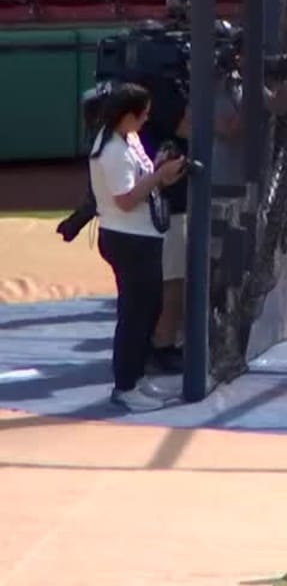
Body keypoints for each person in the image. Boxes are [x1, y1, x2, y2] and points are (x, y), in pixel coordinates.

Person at [88, 82, 189, 412]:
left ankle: (136, 377)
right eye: (142, 115)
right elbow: (127, 199)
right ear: (127, 116)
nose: (147, 120)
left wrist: (162, 170)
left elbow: (145, 181)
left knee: (150, 307)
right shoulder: (111, 151)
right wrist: (159, 176)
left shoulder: (129, 140)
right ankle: (125, 385)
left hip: (144, 237)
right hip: (127, 238)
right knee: (134, 313)